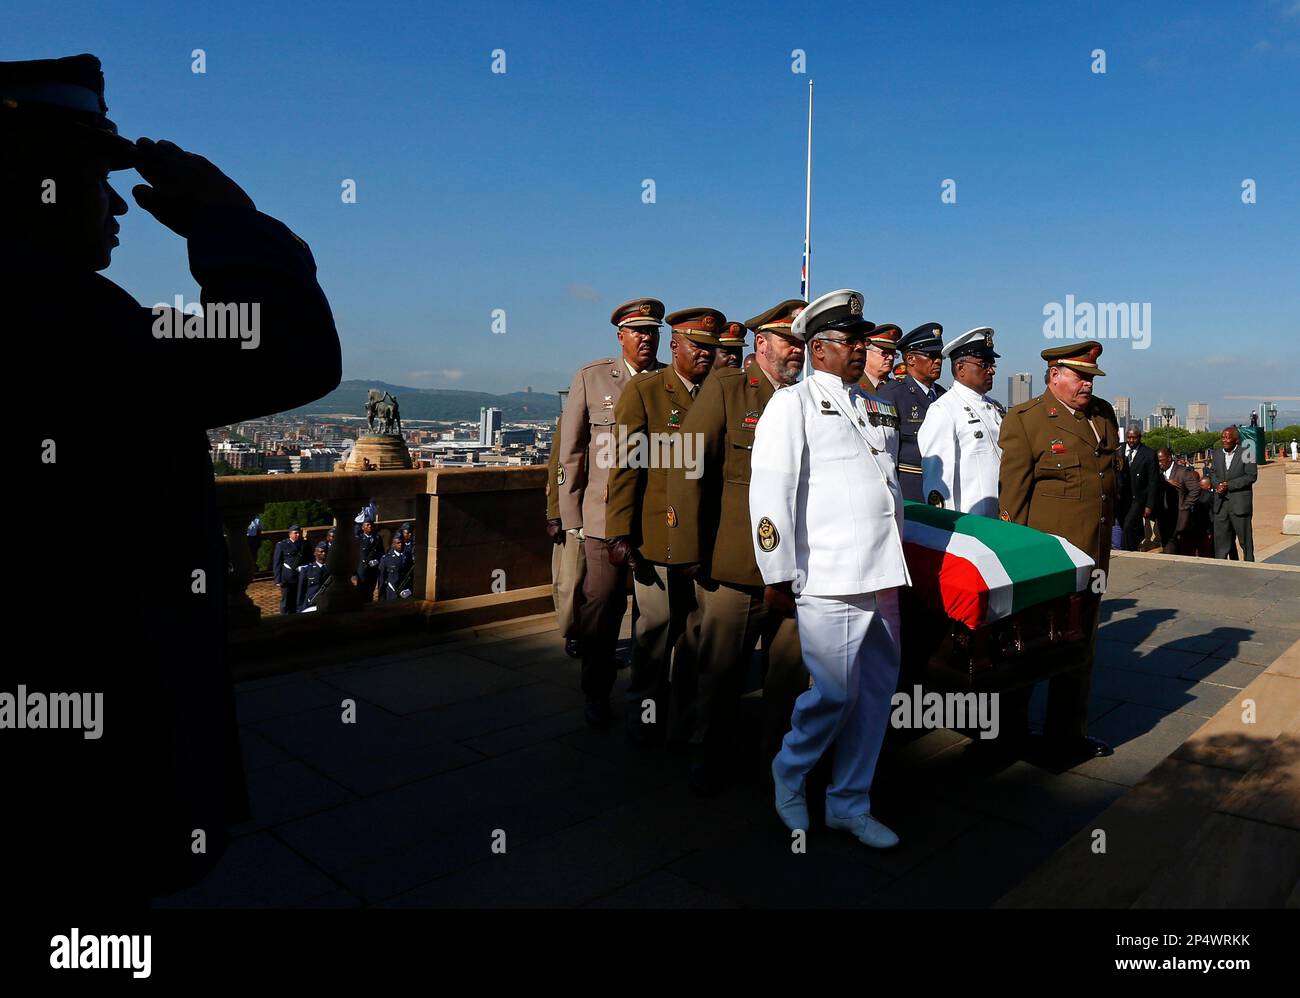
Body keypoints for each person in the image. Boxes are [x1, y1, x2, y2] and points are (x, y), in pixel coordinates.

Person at [4, 53, 340, 905]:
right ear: (28, 171)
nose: (116, 202)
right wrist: (226, 219)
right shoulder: (59, 315)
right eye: (94, 174)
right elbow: (288, 348)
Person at [751, 289, 909, 849]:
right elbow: (772, 494)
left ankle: (849, 802)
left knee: (874, 695)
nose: (862, 349)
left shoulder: (867, 406)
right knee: (835, 694)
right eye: (852, 341)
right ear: (819, 349)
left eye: (863, 341)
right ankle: (789, 773)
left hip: (882, 574)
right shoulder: (790, 406)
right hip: (828, 575)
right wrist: (776, 573)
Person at [671, 299, 808, 794]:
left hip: (794, 568)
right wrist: (686, 548)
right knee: (722, 672)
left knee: (788, 677)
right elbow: (688, 465)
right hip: (735, 565)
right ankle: (708, 753)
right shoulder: (728, 389)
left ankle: (778, 761)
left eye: (802, 341)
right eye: (789, 340)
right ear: (762, 343)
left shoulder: (807, 399)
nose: (797, 350)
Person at [998, 340, 1119, 764]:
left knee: (1081, 644)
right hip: (1048, 560)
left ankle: (1068, 734)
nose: (1087, 384)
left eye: (1090, 377)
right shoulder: (1026, 421)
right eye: (1080, 376)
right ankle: (1008, 733)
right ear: (1054, 376)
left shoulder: (1103, 415)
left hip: (1094, 554)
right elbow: (1013, 497)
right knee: (1031, 647)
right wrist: (1017, 558)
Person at [607, 306, 722, 745]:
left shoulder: (720, 391)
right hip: (654, 536)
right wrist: (620, 532)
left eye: (711, 348)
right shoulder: (646, 392)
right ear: (674, 346)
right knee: (654, 632)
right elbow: (625, 467)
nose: (706, 355)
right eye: (697, 347)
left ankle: (686, 718)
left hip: (704, 539)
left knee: (695, 634)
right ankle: (646, 716)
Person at [558, 298, 666, 728]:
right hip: (602, 519)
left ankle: (649, 699)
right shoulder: (594, 376)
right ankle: (596, 692)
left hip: (655, 519)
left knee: (654, 616)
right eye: (637, 330)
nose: (646, 337)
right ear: (620, 335)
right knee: (602, 609)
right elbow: (572, 452)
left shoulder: (668, 380)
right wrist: (573, 521)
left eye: (652, 330)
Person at [917, 327, 1004, 516]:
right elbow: (937, 479)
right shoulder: (944, 410)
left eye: (992, 365)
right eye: (984, 364)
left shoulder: (994, 406)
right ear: (961, 368)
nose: (991, 371)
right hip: (971, 521)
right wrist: (945, 523)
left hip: (1000, 517)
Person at [879, 322, 945, 501]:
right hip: (909, 492)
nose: (938, 360)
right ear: (910, 359)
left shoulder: (944, 396)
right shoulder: (892, 395)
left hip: (943, 490)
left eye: (939, 355)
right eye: (931, 355)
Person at [546, 416, 584, 657]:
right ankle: (573, 632)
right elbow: (557, 463)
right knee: (571, 579)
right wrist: (554, 512)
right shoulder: (572, 416)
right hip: (575, 510)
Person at [1210, 425, 1257, 561]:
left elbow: (1251, 476)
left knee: (1245, 541)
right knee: (1221, 542)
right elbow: (1213, 473)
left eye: (1227, 437)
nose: (1224, 440)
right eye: (1222, 437)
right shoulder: (1217, 454)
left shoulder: (1247, 453)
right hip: (1221, 505)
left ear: (1236, 440)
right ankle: (1222, 567)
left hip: (1239, 505)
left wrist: (1228, 485)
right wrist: (1217, 484)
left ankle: (1249, 565)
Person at [1119, 426, 1160, 552]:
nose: (1131, 440)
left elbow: (1153, 481)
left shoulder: (1148, 453)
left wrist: (1149, 505)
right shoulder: (1118, 450)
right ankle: (1137, 541)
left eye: (1134, 438)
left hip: (1138, 498)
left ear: (1139, 438)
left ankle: (1127, 552)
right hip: (1121, 497)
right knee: (1125, 525)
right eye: (1129, 438)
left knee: (1128, 526)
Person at [1155, 446, 1201, 553]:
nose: (1160, 464)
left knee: (1175, 546)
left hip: (1178, 517)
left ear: (1169, 458)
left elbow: (1195, 489)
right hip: (1163, 515)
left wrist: (1184, 506)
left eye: (1161, 461)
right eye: (1158, 461)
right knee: (1166, 544)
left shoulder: (1182, 472)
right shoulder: (1158, 473)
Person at [272, 523, 308, 614]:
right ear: (290, 534)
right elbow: (277, 563)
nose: (298, 535)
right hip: (287, 577)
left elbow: (309, 559)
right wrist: (278, 579)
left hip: (300, 576)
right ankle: (285, 617)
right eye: (295, 533)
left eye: (299, 533)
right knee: (286, 600)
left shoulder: (304, 544)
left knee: (298, 598)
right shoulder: (282, 545)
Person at [297, 542, 331, 611]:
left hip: (327, 604)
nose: (324, 554)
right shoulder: (306, 570)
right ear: (315, 553)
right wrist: (300, 608)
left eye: (325, 552)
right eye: (321, 551)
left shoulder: (330, 570)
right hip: (311, 605)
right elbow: (301, 591)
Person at [355, 516, 382, 601]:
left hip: (373, 569)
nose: (369, 526)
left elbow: (381, 552)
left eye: (371, 525)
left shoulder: (377, 538)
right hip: (362, 569)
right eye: (367, 525)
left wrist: (377, 560)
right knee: (361, 591)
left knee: (371, 590)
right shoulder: (359, 539)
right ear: (363, 527)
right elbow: (355, 555)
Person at [379, 533, 410, 600]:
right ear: (393, 545)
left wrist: (410, 589)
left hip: (406, 592)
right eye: (398, 543)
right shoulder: (386, 559)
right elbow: (382, 578)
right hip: (392, 592)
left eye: (402, 542)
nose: (400, 544)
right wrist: (381, 596)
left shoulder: (408, 557)